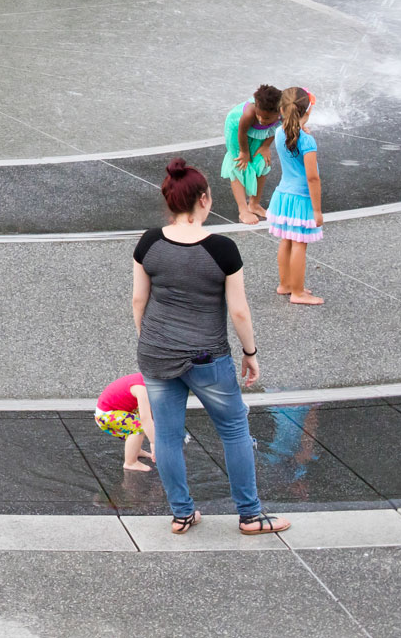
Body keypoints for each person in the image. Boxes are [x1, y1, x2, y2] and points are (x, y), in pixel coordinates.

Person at [132, 158, 289, 536]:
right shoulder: (222, 249)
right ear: (203, 199)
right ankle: (250, 515)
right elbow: (239, 311)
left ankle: (182, 514)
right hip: (207, 357)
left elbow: (139, 300)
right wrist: (250, 354)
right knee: (234, 430)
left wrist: (150, 341)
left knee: (166, 435)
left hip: (156, 354)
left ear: (170, 201)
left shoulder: (149, 242)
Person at [266, 86, 324, 306]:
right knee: (300, 243)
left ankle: (286, 284)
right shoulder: (307, 140)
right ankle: (298, 293)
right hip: (301, 198)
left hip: (283, 194)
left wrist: (302, 124)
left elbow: (293, 129)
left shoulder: (280, 133)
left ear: (282, 109)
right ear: (307, 111)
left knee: (287, 240)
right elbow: (313, 178)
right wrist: (317, 210)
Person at [222, 83, 285, 224]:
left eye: (266, 118)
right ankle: (243, 209)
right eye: (259, 115)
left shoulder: (283, 114)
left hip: (260, 131)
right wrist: (244, 152)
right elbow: (241, 132)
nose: (261, 120)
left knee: (262, 161)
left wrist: (265, 146)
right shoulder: (250, 113)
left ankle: (254, 204)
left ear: (279, 112)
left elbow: (276, 129)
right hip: (237, 129)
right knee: (239, 163)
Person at [95, 372, 156, 472]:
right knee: (138, 426)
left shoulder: (146, 379)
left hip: (115, 410)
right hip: (105, 415)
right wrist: (154, 443)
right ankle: (130, 462)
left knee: (141, 422)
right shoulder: (142, 388)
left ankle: (135, 450)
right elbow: (145, 418)